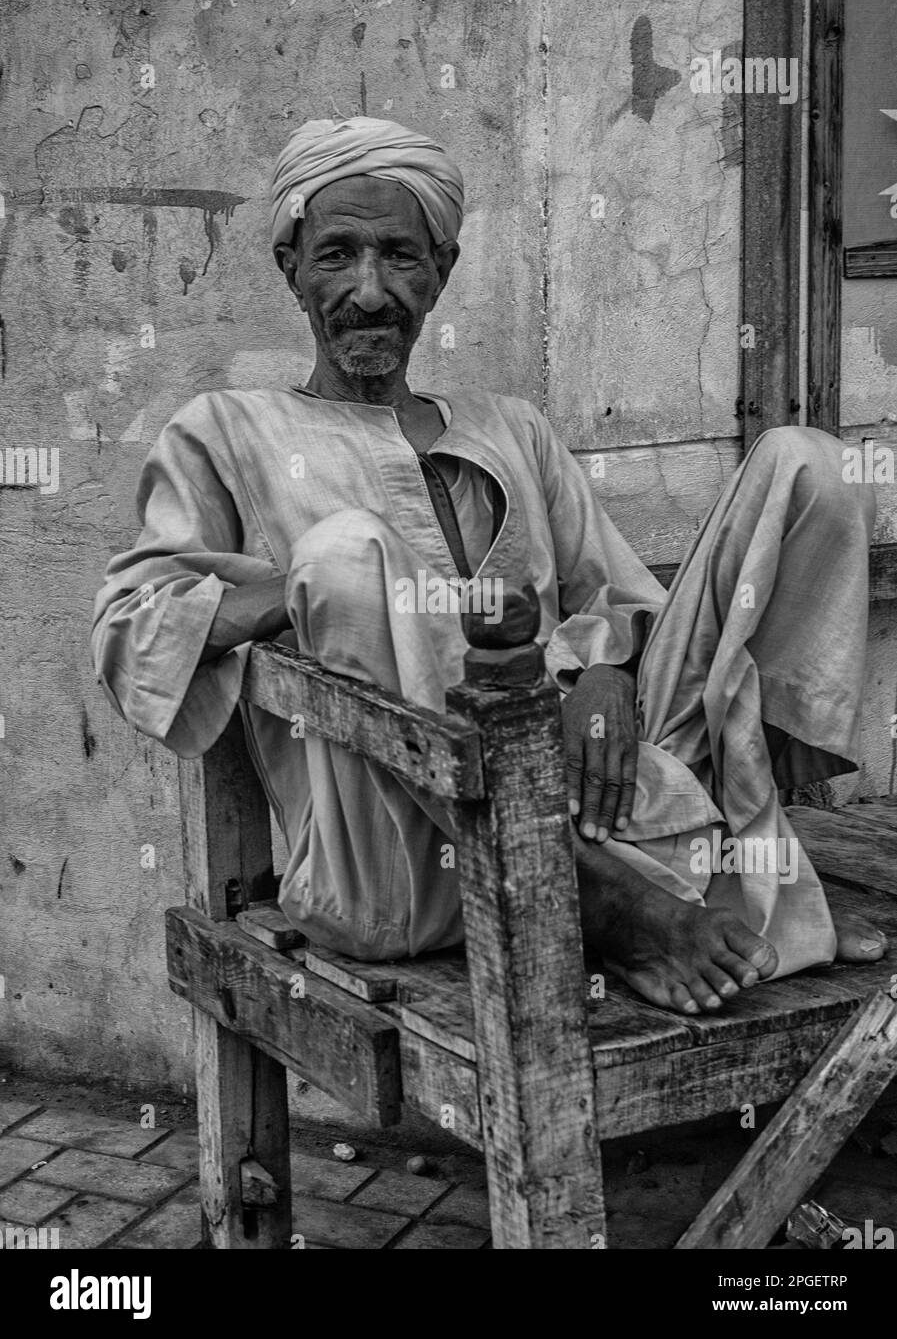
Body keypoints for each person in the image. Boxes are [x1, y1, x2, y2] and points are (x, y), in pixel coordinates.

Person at [91, 115, 886, 1017]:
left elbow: (619, 598)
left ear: (441, 271)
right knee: (346, 550)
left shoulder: (513, 426)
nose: (369, 289)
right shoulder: (223, 431)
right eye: (336, 255)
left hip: (600, 789)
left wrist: (603, 671)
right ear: (291, 270)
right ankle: (609, 903)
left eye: (399, 255)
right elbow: (130, 635)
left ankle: (706, 846)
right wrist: (312, 588)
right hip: (396, 859)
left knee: (807, 462)